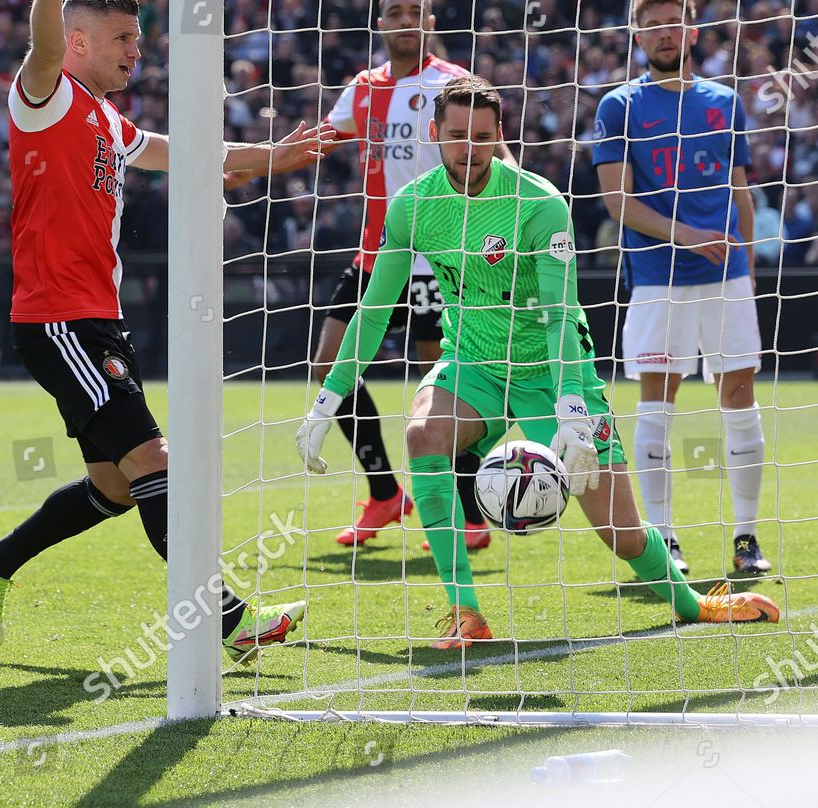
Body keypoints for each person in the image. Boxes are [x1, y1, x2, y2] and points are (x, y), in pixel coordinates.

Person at [0, 0, 331, 659]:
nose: (137, 52)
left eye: (140, 39)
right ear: (81, 42)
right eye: (124, 40)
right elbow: (39, 50)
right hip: (58, 321)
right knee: (158, 464)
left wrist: (271, 156)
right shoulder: (46, 98)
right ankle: (230, 622)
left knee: (117, 487)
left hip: (95, 320)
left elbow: (183, 151)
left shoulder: (106, 119)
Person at [297, 75, 780, 648]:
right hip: (473, 365)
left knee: (622, 535)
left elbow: (559, 315)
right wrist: (329, 399)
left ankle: (692, 603)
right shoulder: (413, 206)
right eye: (457, 135)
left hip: (553, 375)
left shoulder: (539, 203)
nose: (469, 148)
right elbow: (374, 312)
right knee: (423, 434)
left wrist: (573, 409)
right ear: (434, 134)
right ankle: (466, 613)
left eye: (481, 135)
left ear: (498, 134)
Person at [311, 0, 505, 550]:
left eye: (414, 11)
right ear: (380, 23)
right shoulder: (364, 88)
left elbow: (492, 145)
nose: (404, 20)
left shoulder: (451, 82)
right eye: (393, 12)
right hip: (377, 253)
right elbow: (324, 137)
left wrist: (517, 201)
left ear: (430, 20)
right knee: (329, 365)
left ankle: (467, 513)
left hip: (442, 258)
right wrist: (251, 168)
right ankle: (384, 494)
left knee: (443, 383)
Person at [592, 0, 770, 577]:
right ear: (639, 36)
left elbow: (739, 188)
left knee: (739, 398)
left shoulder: (724, 101)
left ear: (693, 31)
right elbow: (618, 202)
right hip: (658, 277)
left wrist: (742, 247)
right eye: (655, 25)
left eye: (676, 22)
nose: (666, 33)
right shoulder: (619, 106)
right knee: (657, 403)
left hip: (727, 276)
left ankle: (746, 537)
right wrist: (692, 237)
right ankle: (664, 538)